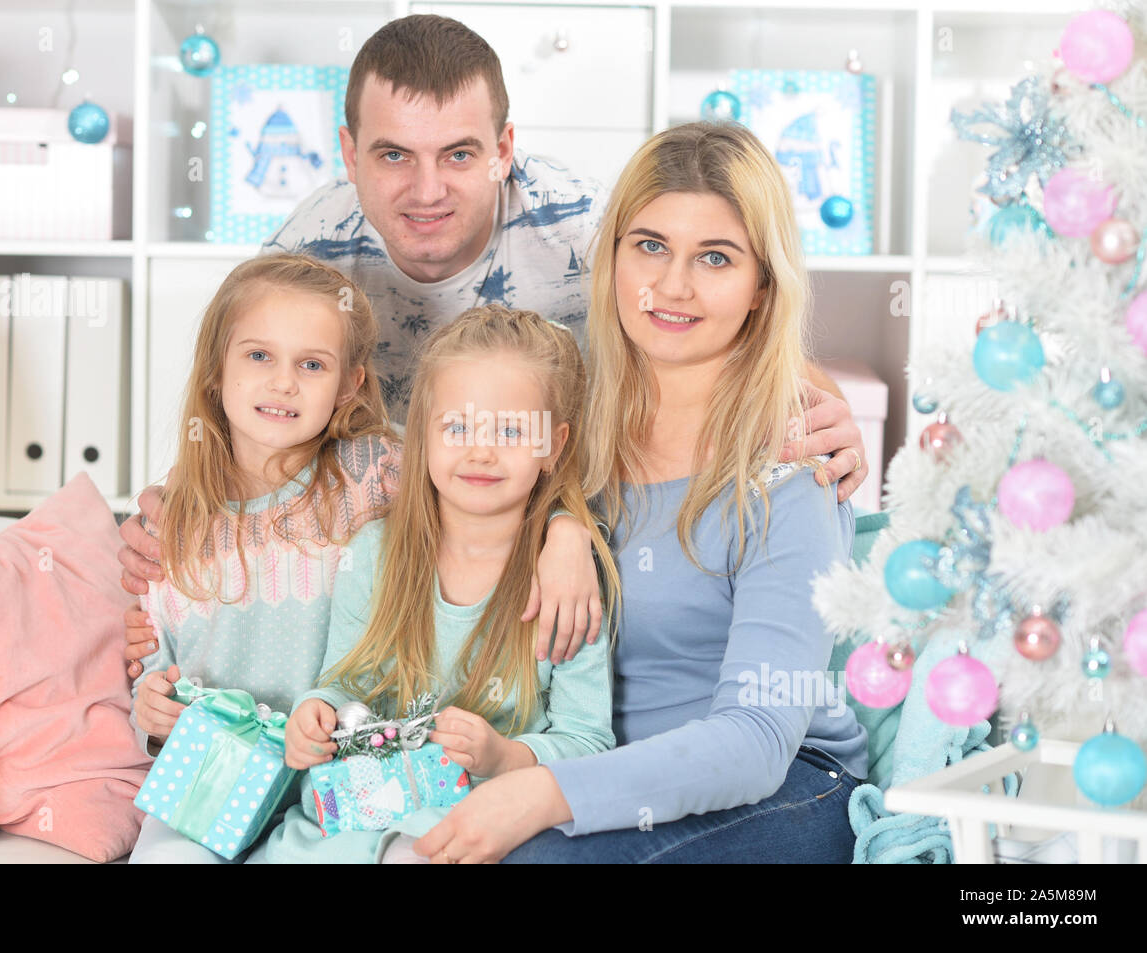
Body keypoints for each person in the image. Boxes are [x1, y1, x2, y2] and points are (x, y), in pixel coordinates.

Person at [117, 14, 870, 669]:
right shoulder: (309, 252)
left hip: (538, 503)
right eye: (393, 155)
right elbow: (245, 399)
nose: (427, 190)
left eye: (459, 154)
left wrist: (828, 412)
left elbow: (723, 316)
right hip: (374, 530)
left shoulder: (583, 230)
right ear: (348, 154)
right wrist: (185, 505)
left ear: (505, 147)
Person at [412, 121, 869, 864]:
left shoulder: (794, 467)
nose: (672, 285)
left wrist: (547, 791)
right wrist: (565, 519)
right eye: (650, 245)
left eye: (715, 257)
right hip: (594, 766)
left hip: (784, 782)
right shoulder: (562, 426)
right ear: (614, 256)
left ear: (761, 286)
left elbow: (755, 739)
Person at [265, 304, 619, 863]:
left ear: (553, 445)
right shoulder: (376, 553)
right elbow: (345, 684)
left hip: (476, 820)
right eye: (457, 427)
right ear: (422, 436)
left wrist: (504, 757)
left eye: (510, 429)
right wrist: (317, 710)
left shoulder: (565, 581)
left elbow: (588, 740)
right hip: (358, 810)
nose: (480, 450)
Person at [127, 253, 400, 863]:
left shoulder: (376, 475)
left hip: (345, 773)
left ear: (350, 384)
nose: (284, 382)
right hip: (214, 774)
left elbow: (485, 497)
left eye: (311, 364)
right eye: (258, 356)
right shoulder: (171, 519)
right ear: (216, 371)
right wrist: (149, 705)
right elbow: (153, 659)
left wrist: (564, 531)